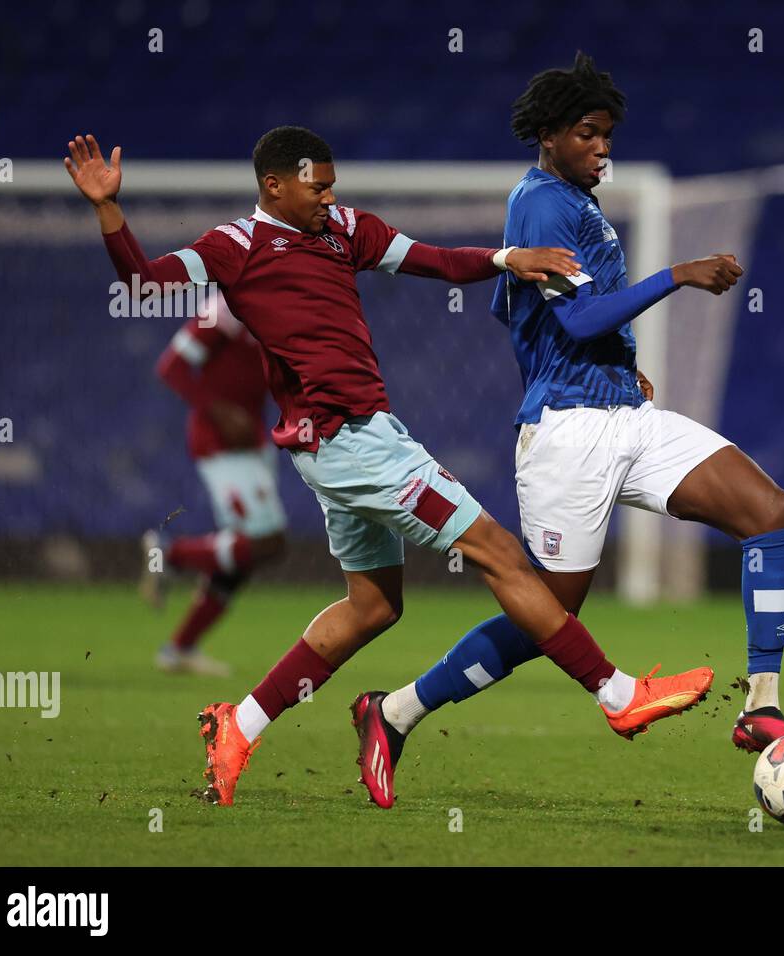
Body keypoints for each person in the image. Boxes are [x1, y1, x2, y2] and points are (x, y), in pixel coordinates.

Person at [63, 127, 713, 808]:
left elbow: (434, 261)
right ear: (274, 186)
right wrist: (108, 208)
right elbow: (142, 283)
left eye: (332, 184)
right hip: (356, 448)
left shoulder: (344, 229)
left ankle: (239, 724)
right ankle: (617, 694)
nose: (330, 196)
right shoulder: (236, 247)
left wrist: (505, 256)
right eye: (317, 186)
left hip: (345, 445)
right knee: (498, 554)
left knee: (373, 606)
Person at [391, 54, 784, 754]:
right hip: (569, 435)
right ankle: (398, 710)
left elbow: (516, 309)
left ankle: (761, 705)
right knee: (549, 616)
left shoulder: (577, 202)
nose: (603, 148)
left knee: (770, 513)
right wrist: (677, 275)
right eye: (588, 133)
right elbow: (577, 321)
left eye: (608, 134)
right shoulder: (540, 201)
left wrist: (619, 367)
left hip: (624, 416)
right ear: (549, 134)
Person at [143, 296, 285, 678]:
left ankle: (179, 649)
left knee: (249, 554)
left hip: (252, 441)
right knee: (264, 543)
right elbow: (171, 367)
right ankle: (170, 555)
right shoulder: (226, 309)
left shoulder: (277, 304)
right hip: (221, 443)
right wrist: (220, 411)